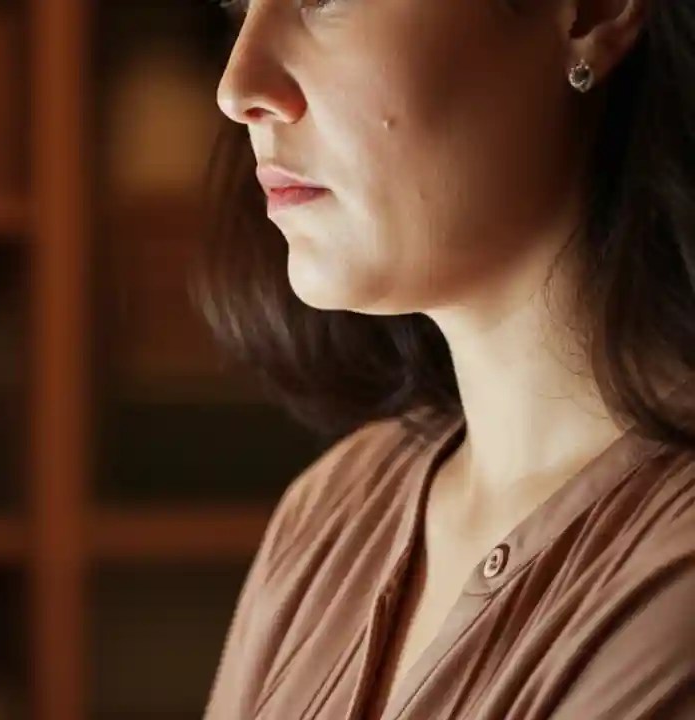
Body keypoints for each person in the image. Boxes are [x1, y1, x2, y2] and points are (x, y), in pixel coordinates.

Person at [200, 0, 695, 718]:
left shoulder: (674, 588)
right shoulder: (330, 513)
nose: (237, 84)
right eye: (243, 4)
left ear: (592, 11)